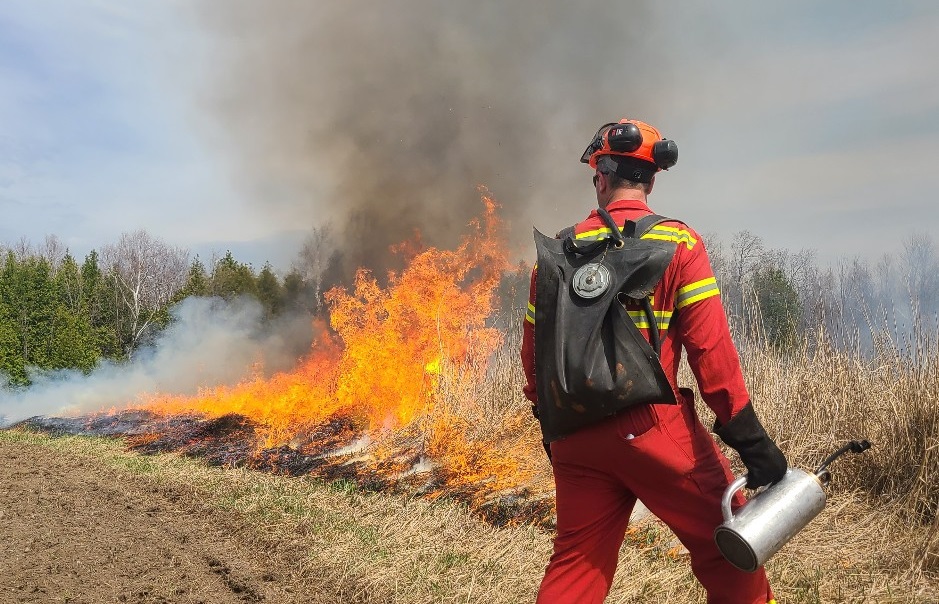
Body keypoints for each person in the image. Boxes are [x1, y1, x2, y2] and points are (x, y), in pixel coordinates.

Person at [520, 118, 787, 604]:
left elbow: (533, 360)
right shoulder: (680, 245)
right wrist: (750, 439)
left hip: (575, 437)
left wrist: (552, 426)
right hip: (654, 430)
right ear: (652, 179)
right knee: (733, 545)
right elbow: (712, 353)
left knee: (577, 564)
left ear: (601, 175)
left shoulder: (556, 255)